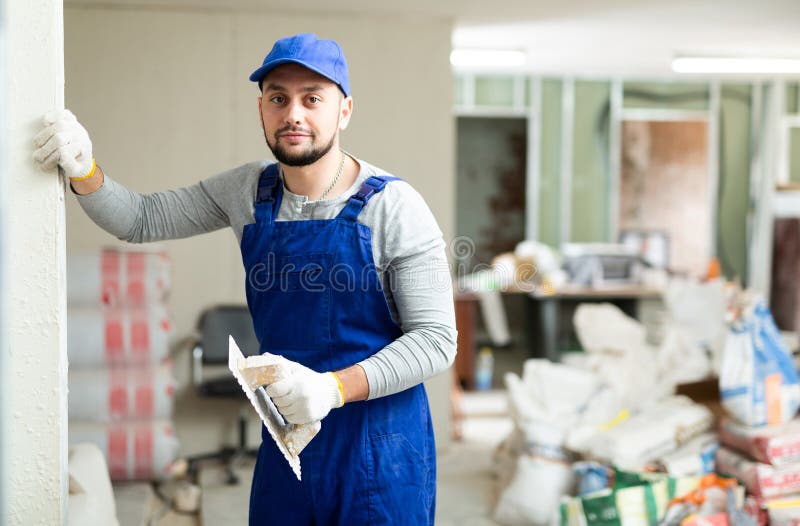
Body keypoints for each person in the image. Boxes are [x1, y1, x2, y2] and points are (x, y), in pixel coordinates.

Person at [33, 33, 456, 525]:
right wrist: (84, 168)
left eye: (312, 99)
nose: (293, 113)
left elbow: (436, 340)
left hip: (380, 448)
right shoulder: (248, 191)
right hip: (287, 442)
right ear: (262, 111)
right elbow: (142, 219)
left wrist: (332, 389)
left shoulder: (394, 207)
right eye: (279, 98)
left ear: (344, 112)